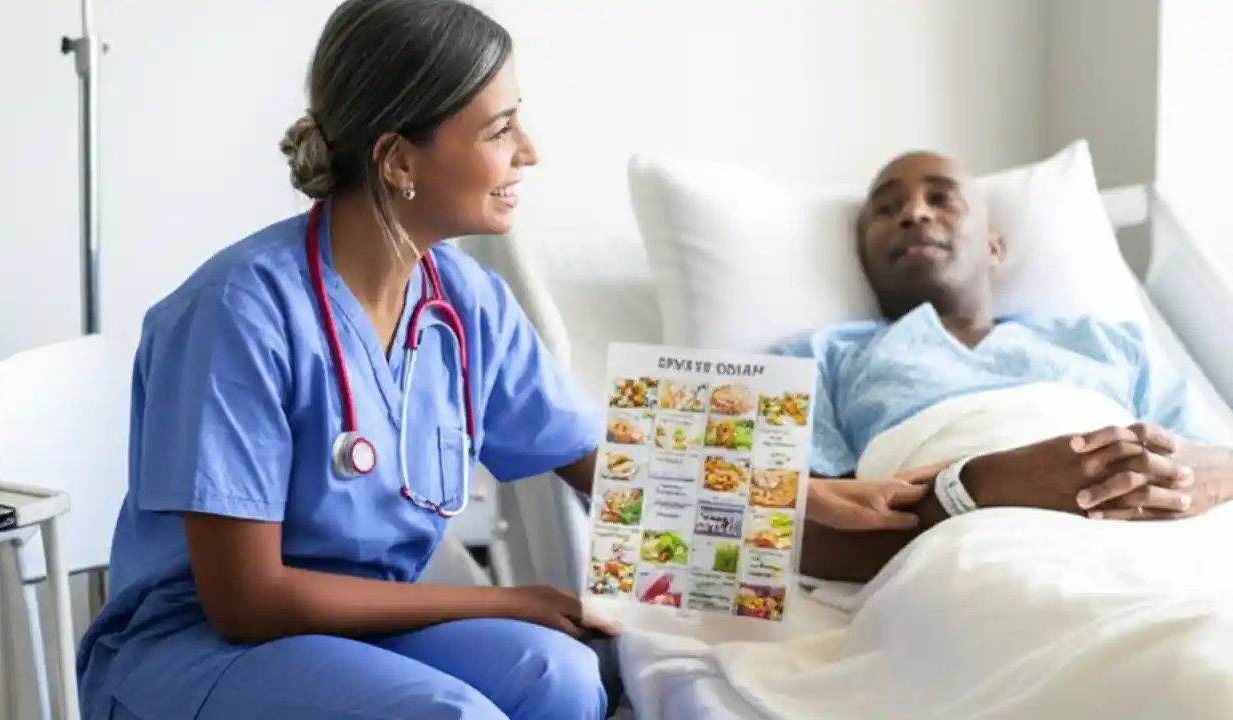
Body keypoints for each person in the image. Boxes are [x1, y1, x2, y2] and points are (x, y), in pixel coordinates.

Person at [75, 2, 918, 718]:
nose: (532, 151)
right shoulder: (239, 312)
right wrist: (504, 599)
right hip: (193, 647)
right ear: (399, 160)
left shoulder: (463, 306)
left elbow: (613, 468)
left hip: (364, 626)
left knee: (561, 680)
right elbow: (246, 600)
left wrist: (812, 494)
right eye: (501, 127)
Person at [771, 150, 1233, 583]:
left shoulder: (1111, 342)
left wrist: (1193, 484)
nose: (915, 214)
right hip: (972, 561)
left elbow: (1221, 459)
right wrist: (980, 487)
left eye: (942, 199)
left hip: (1162, 543)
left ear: (993, 248)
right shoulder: (815, 357)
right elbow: (791, 533)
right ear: (862, 254)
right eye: (886, 210)